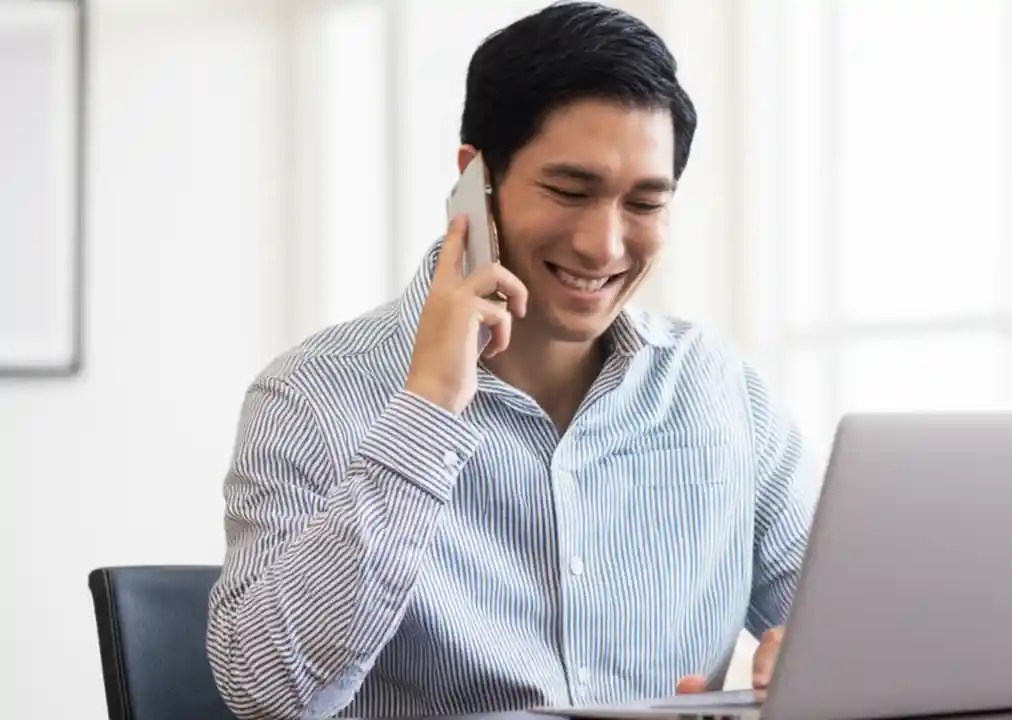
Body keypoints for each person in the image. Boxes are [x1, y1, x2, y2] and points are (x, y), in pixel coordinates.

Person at [206, 3, 816, 718]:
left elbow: (837, 616)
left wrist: (802, 658)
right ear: (476, 178)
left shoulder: (721, 390)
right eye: (569, 191)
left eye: (645, 203)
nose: (604, 246)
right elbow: (267, 693)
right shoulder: (311, 396)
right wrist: (427, 408)